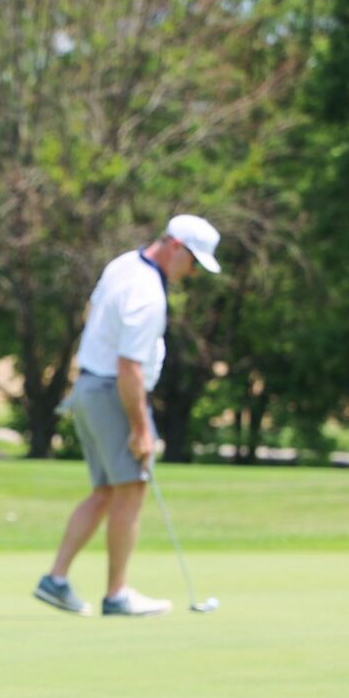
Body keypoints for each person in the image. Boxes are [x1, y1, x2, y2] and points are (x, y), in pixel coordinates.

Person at [33, 215, 221, 618]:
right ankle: (116, 594)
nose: (192, 274)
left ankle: (56, 579)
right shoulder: (148, 293)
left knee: (106, 492)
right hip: (112, 391)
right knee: (131, 488)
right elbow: (130, 368)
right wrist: (140, 430)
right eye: (193, 263)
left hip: (88, 386)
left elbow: (93, 314)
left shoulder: (123, 264)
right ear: (175, 247)